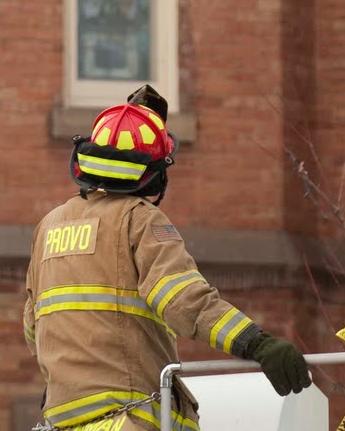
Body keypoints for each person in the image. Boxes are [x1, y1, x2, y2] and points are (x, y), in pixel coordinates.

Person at [23, 84, 312, 429]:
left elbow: (33, 326)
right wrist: (257, 344)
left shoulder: (49, 226)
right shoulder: (139, 218)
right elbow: (182, 299)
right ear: (154, 174)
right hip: (128, 420)